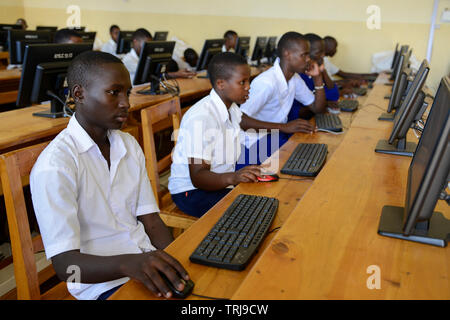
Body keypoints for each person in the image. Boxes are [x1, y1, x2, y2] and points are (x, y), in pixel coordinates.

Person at [30, 51, 190, 300]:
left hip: (144, 262)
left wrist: (177, 266)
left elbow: (151, 221)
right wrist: (130, 264)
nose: (126, 102)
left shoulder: (127, 144)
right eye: (114, 92)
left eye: (127, 92)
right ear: (79, 94)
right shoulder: (56, 165)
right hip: (100, 284)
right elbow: (66, 268)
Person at [168, 52, 262, 218]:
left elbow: (243, 121)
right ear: (221, 84)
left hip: (218, 182)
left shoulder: (230, 106)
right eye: (243, 82)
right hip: (191, 193)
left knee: (262, 196)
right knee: (252, 211)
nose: (248, 87)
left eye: (249, 81)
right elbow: (198, 177)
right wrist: (234, 178)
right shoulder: (202, 118)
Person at [237, 31, 327, 168]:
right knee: (301, 164)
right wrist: (284, 127)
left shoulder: (294, 79)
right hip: (254, 144)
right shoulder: (267, 82)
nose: (308, 59)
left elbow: (318, 108)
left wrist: (317, 78)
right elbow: (240, 120)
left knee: (312, 157)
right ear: (287, 54)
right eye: (304, 55)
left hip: (275, 137)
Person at [288, 33, 340, 120]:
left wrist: (323, 71)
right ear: (306, 53)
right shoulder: (298, 76)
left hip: (307, 121)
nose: (323, 55)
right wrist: (324, 104)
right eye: (319, 52)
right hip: (285, 128)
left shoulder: (312, 72)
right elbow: (295, 113)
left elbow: (334, 96)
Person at [122, 28, 195, 83]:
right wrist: (177, 74)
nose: (147, 48)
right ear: (135, 42)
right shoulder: (128, 60)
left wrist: (178, 72)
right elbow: (151, 74)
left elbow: (158, 71)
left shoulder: (146, 57)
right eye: (145, 44)